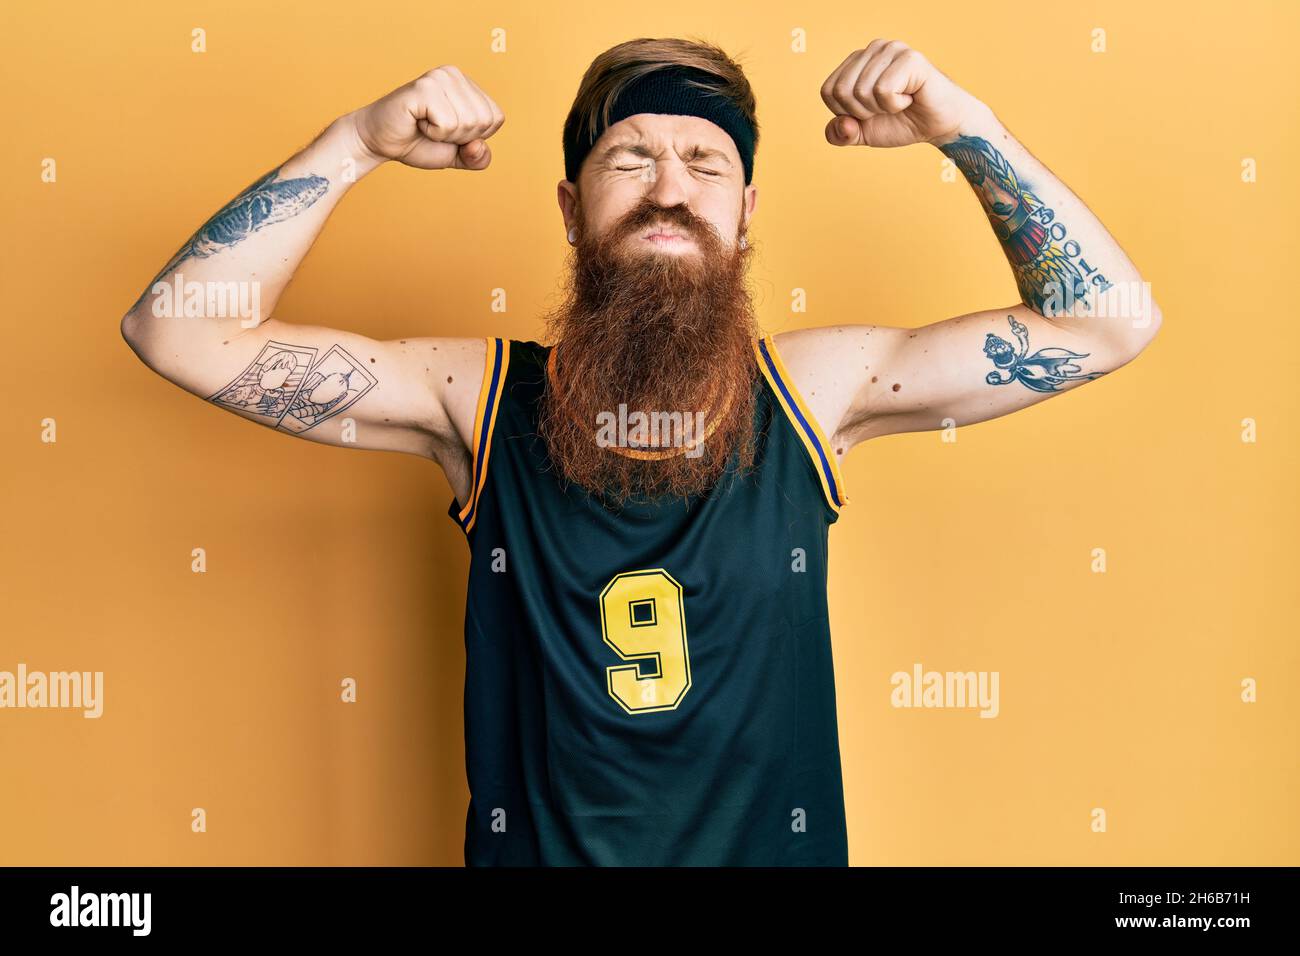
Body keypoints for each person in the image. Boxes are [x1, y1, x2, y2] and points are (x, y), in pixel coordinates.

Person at [120, 36, 1161, 865]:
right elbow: (176, 332)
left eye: (706, 162)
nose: (670, 187)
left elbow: (1106, 321)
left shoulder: (811, 391)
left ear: (745, 215)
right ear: (572, 210)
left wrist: (963, 126)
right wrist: (353, 142)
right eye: (630, 157)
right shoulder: (477, 401)